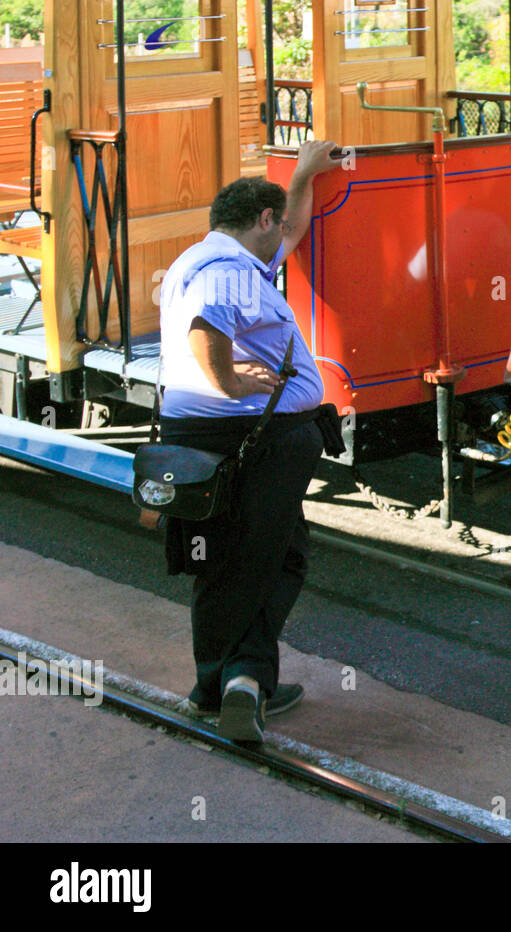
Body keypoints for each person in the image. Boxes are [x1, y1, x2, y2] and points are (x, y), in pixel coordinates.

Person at [158, 140, 343, 743]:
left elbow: (292, 229)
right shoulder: (228, 274)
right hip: (251, 438)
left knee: (239, 554)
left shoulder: (206, 257)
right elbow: (206, 325)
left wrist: (305, 176)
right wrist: (232, 379)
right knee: (255, 559)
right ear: (261, 221)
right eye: (276, 224)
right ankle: (234, 682)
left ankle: (228, 682)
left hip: (206, 437)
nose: (283, 236)